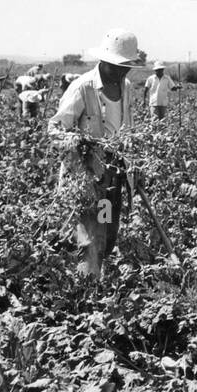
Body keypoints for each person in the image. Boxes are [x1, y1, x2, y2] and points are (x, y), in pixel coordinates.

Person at [47, 28, 147, 276]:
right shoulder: (82, 88)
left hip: (113, 176)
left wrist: (135, 165)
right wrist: (78, 143)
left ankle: (93, 275)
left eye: (126, 67)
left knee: (108, 233)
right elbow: (55, 129)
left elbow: (128, 129)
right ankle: (86, 290)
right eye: (117, 66)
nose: (122, 71)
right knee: (91, 238)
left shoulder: (125, 87)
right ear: (103, 61)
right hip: (88, 176)